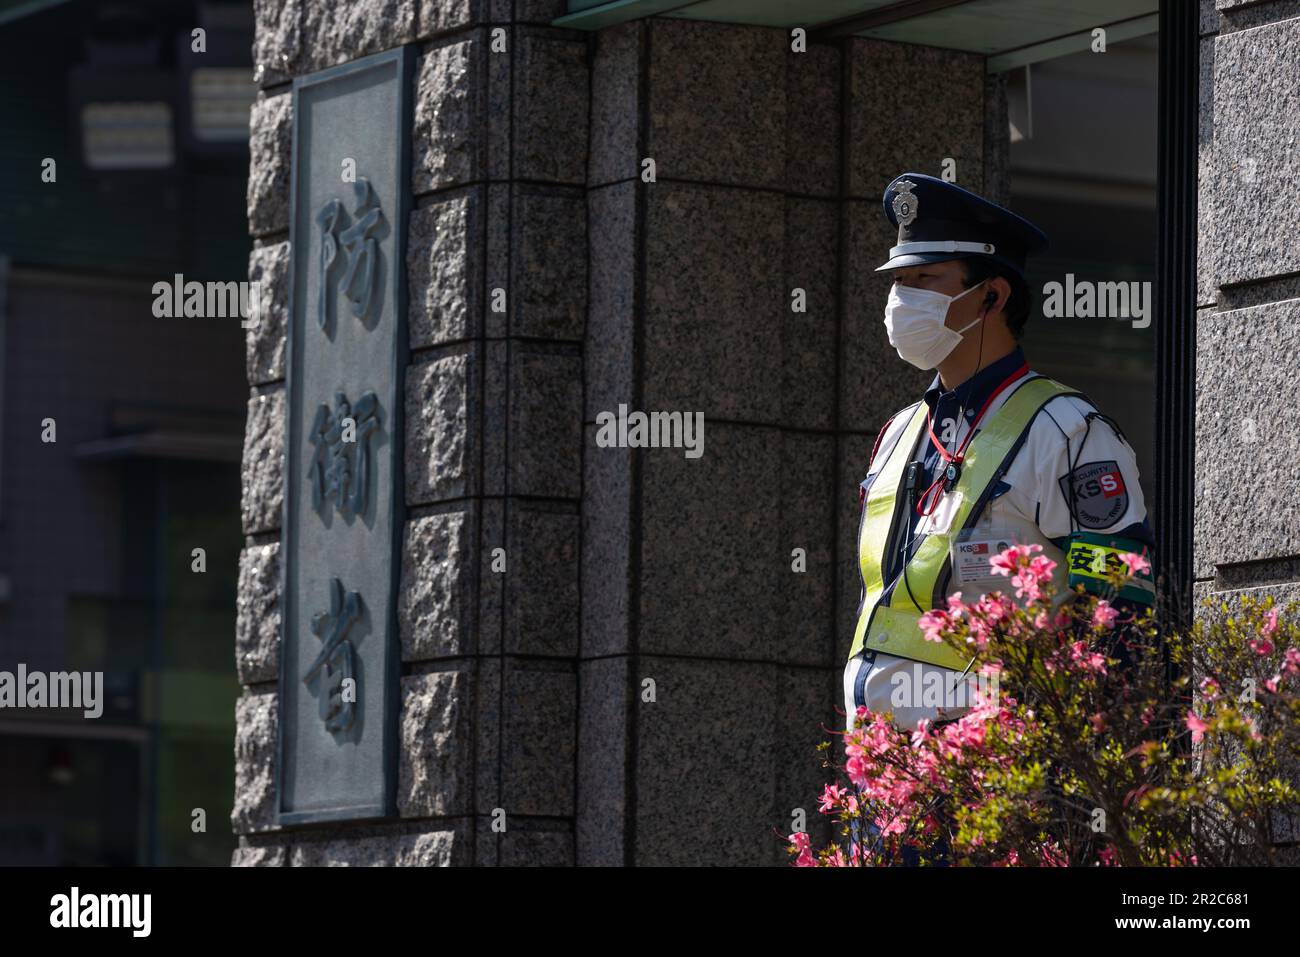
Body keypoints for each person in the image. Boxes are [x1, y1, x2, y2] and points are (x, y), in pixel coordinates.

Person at [841, 173, 1156, 863]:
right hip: (884, 786)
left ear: (992, 294)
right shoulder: (899, 433)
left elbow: (1120, 617)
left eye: (925, 279)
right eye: (898, 280)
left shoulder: (1070, 435)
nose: (901, 301)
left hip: (1001, 792)